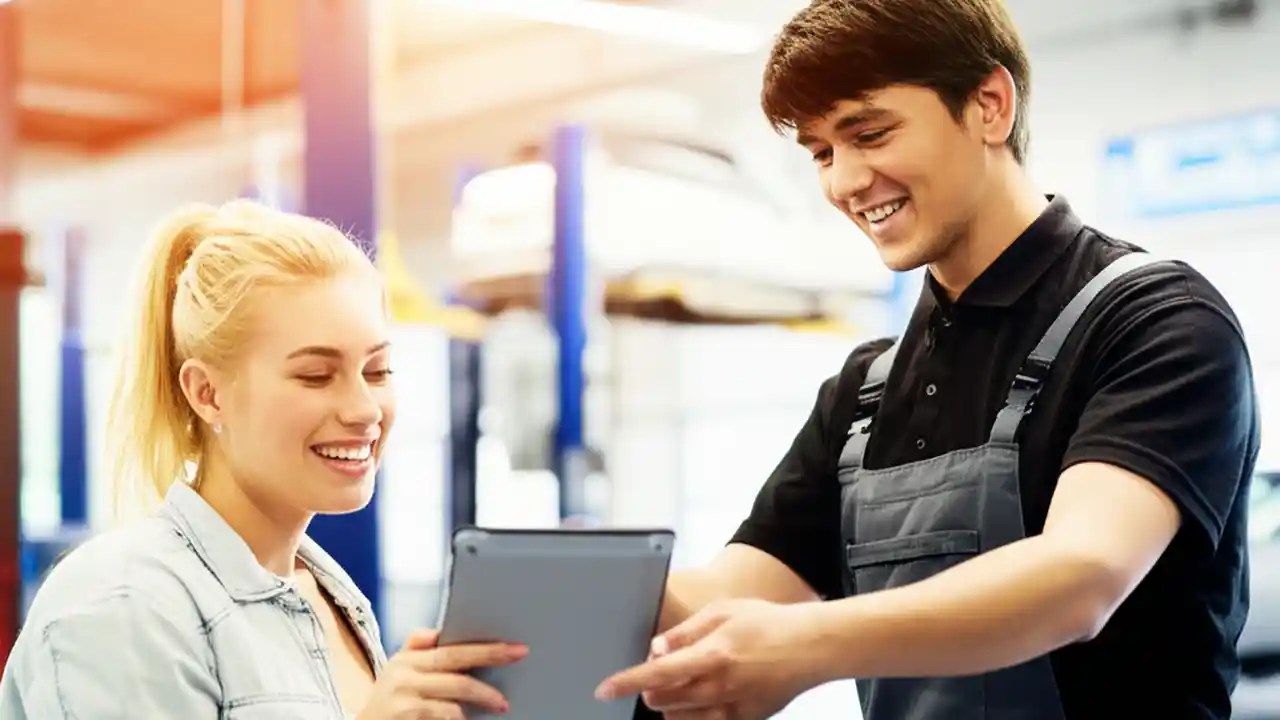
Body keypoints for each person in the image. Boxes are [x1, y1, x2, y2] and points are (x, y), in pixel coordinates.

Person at [602, 1, 1260, 719]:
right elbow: (727, 598)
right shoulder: (863, 392)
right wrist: (552, 613)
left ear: (989, 105)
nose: (844, 182)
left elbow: (1082, 575)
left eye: (870, 134)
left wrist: (807, 645)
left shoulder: (1154, 323)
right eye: (821, 152)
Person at [0, 200, 527, 719]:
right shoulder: (123, 604)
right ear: (207, 393)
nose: (365, 410)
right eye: (316, 376)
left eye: (377, 370)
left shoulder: (329, 597)